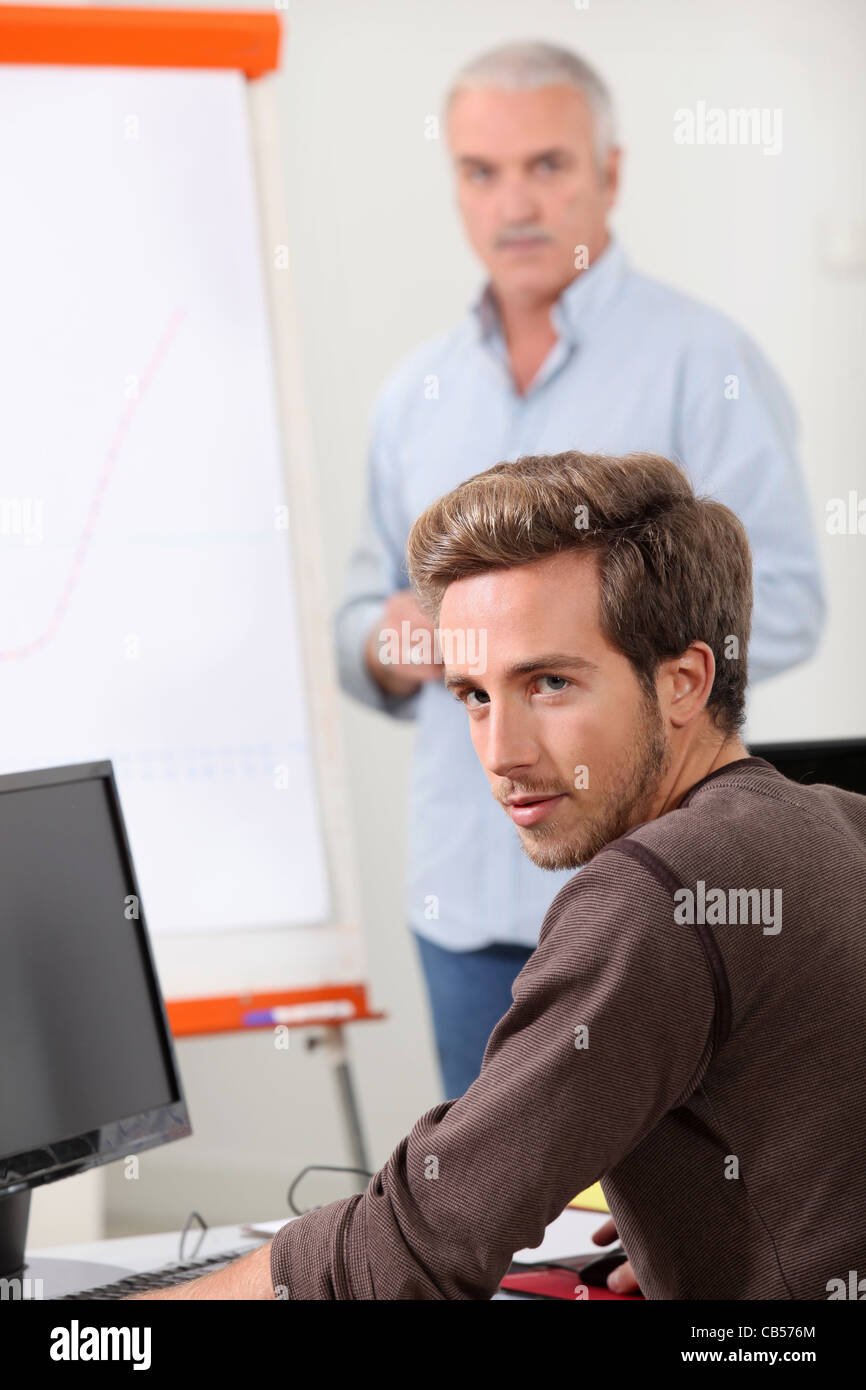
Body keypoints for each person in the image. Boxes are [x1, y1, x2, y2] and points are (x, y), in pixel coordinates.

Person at [140, 450, 864, 1300]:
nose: (502, 754)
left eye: (549, 683)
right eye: (474, 696)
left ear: (684, 682)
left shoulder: (656, 896)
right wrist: (699, 1226)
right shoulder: (840, 823)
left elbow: (412, 1252)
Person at [335, 41, 825, 1099]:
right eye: (480, 171)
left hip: (651, 896)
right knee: (485, 1242)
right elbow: (355, 619)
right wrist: (395, 643)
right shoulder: (410, 394)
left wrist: (590, 633)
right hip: (465, 916)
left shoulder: (705, 364)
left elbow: (781, 599)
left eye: (546, 165)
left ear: (610, 172)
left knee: (659, 1240)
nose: (514, 201)